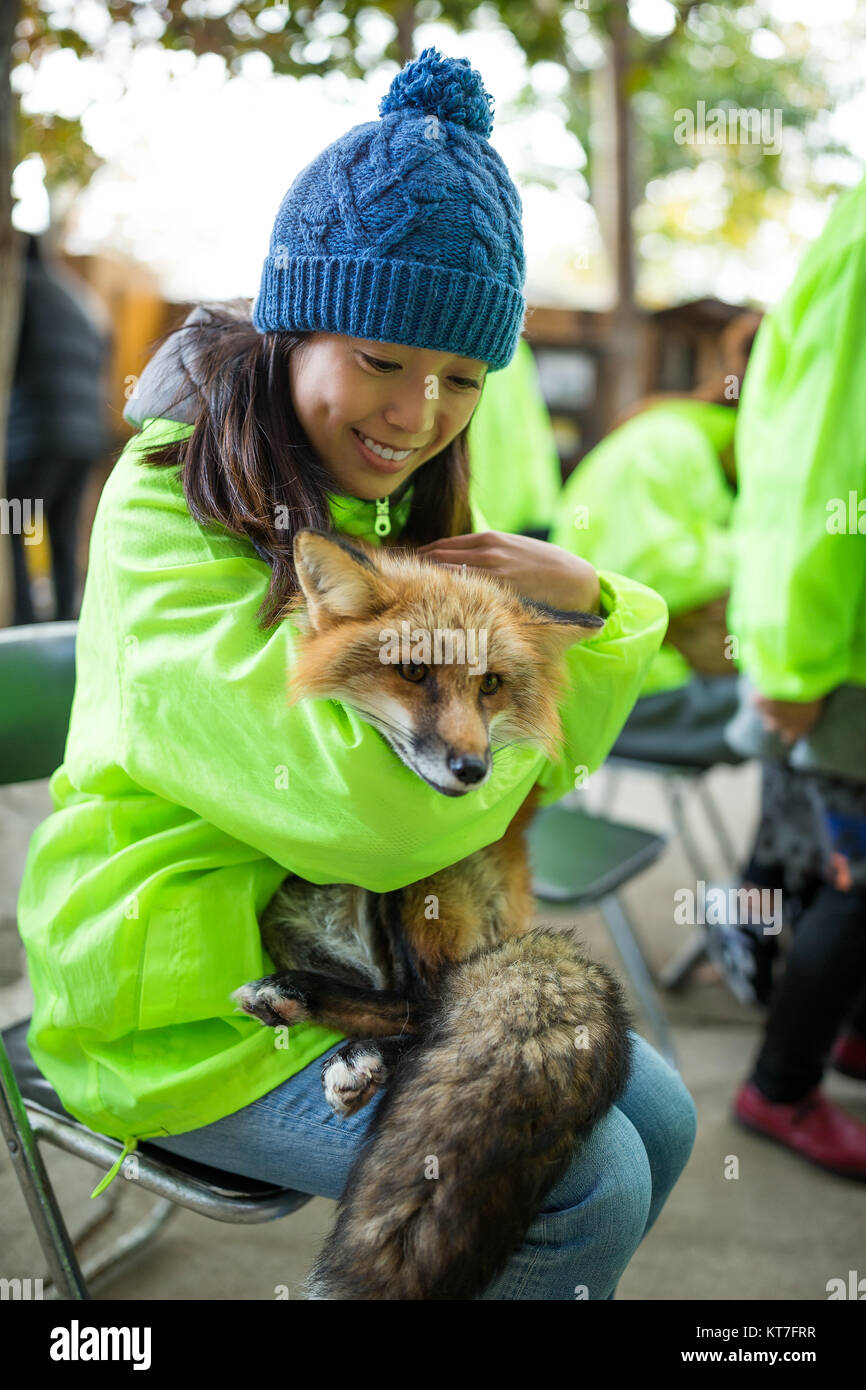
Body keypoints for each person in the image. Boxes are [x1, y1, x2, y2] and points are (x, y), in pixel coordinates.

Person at [16, 48, 695, 1298]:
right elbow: (372, 811)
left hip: (360, 953)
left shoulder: (377, 512)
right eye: (381, 359)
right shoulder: (172, 506)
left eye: (459, 379)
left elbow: (481, 749)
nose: (416, 411)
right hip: (182, 986)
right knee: (579, 1177)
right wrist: (506, 721)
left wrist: (594, 604)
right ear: (294, 323)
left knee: (656, 1118)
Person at [724, 171, 866, 1179]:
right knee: (858, 887)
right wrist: (792, 653)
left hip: (832, 642)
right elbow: (824, 462)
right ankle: (779, 1087)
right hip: (836, 653)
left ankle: (846, 1037)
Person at [549, 312, 761, 769]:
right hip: (626, 689)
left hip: (649, 680)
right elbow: (646, 575)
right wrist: (760, 552)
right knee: (802, 707)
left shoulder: (696, 449)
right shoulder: (667, 445)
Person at [5, 232, 113, 624]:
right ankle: (68, 621)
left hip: (34, 439)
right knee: (63, 533)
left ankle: (23, 621)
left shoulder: (18, 291)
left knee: (13, 524)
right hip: (84, 440)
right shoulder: (75, 295)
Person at [466, 334, 562, 538]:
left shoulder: (513, 347)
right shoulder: (513, 345)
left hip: (485, 513)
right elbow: (530, 431)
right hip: (479, 512)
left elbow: (529, 428)